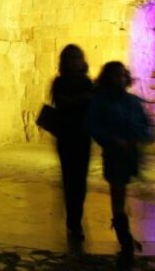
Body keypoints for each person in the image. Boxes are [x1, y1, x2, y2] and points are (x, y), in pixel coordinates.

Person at [87, 61, 151, 269]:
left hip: (130, 155)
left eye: (123, 74)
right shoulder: (101, 101)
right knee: (118, 193)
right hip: (114, 155)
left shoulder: (132, 101)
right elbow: (94, 126)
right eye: (116, 75)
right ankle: (124, 238)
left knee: (122, 193)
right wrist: (113, 140)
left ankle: (124, 234)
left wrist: (139, 137)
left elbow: (145, 125)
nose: (121, 78)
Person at [51, 44, 93, 241]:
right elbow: (63, 103)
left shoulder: (86, 82)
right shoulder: (60, 82)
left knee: (80, 181)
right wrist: (83, 99)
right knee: (70, 180)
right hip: (67, 136)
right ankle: (73, 222)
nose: (76, 61)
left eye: (78, 57)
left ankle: (76, 218)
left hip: (83, 136)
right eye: (72, 58)